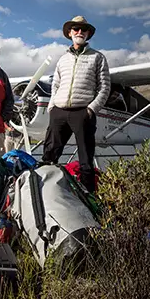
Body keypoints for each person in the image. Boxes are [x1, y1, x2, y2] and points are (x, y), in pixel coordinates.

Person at [41, 15, 110, 192]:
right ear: (70, 33)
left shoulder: (98, 57)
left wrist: (91, 109)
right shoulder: (63, 59)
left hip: (83, 113)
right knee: (49, 154)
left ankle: (90, 197)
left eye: (83, 30)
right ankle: (46, 192)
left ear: (88, 34)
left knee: (86, 160)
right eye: (76, 29)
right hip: (59, 112)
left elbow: (104, 87)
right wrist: (51, 107)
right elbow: (55, 84)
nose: (79, 32)